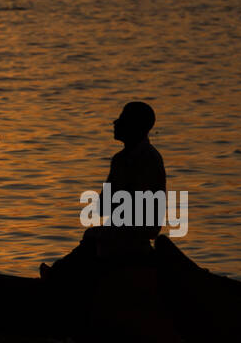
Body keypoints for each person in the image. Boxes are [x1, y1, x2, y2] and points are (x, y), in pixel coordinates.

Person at [41, 101, 165, 277]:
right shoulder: (127, 158)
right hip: (125, 233)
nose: (115, 122)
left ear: (135, 126)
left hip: (132, 238)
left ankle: (58, 276)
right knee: (94, 238)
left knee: (94, 240)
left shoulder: (140, 160)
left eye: (122, 119)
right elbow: (107, 206)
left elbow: (117, 208)